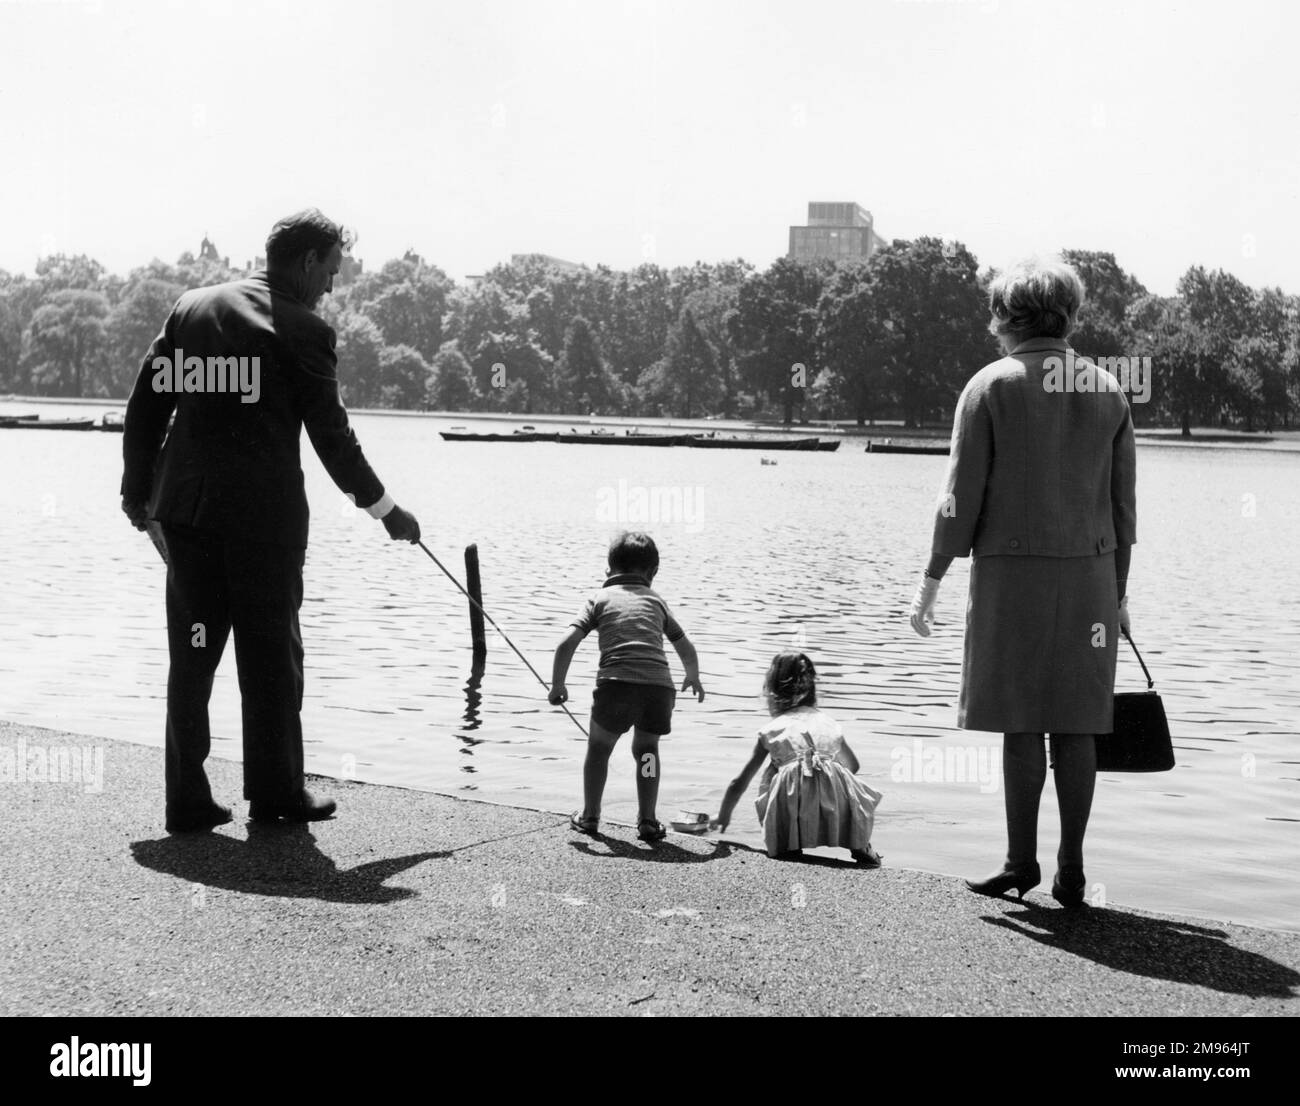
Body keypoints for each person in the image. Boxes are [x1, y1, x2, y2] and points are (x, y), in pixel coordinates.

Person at [121, 208, 422, 833]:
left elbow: (145, 405)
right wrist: (386, 510)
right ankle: (276, 794)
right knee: (271, 660)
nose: (333, 287)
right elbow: (333, 439)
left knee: (193, 655)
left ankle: (187, 800)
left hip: (187, 514)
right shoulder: (304, 331)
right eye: (332, 271)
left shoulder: (191, 307)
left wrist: (137, 495)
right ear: (308, 261)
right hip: (262, 525)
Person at [909, 255, 1137, 907]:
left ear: (1007, 316)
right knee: (1076, 725)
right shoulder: (1109, 390)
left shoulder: (990, 386)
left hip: (1012, 577)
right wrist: (1118, 595)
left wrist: (931, 577)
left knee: (1020, 724)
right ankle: (1071, 869)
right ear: (1068, 316)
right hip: (1090, 578)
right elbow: (1123, 511)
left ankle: (1019, 861)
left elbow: (960, 500)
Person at [549, 531, 704, 841]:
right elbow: (683, 643)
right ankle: (647, 820)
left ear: (608, 569)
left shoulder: (599, 598)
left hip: (615, 686)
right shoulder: (657, 601)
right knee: (647, 752)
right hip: (658, 689)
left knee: (599, 749)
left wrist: (557, 685)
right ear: (653, 573)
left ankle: (590, 816)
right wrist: (693, 675)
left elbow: (566, 643)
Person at [712, 652, 882, 866]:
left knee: (782, 778)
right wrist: (825, 776)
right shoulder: (828, 723)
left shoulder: (771, 730)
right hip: (836, 806)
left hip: (792, 803)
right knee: (845, 781)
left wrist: (722, 817)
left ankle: (789, 845)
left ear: (772, 692)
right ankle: (858, 842)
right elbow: (853, 767)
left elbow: (739, 783)